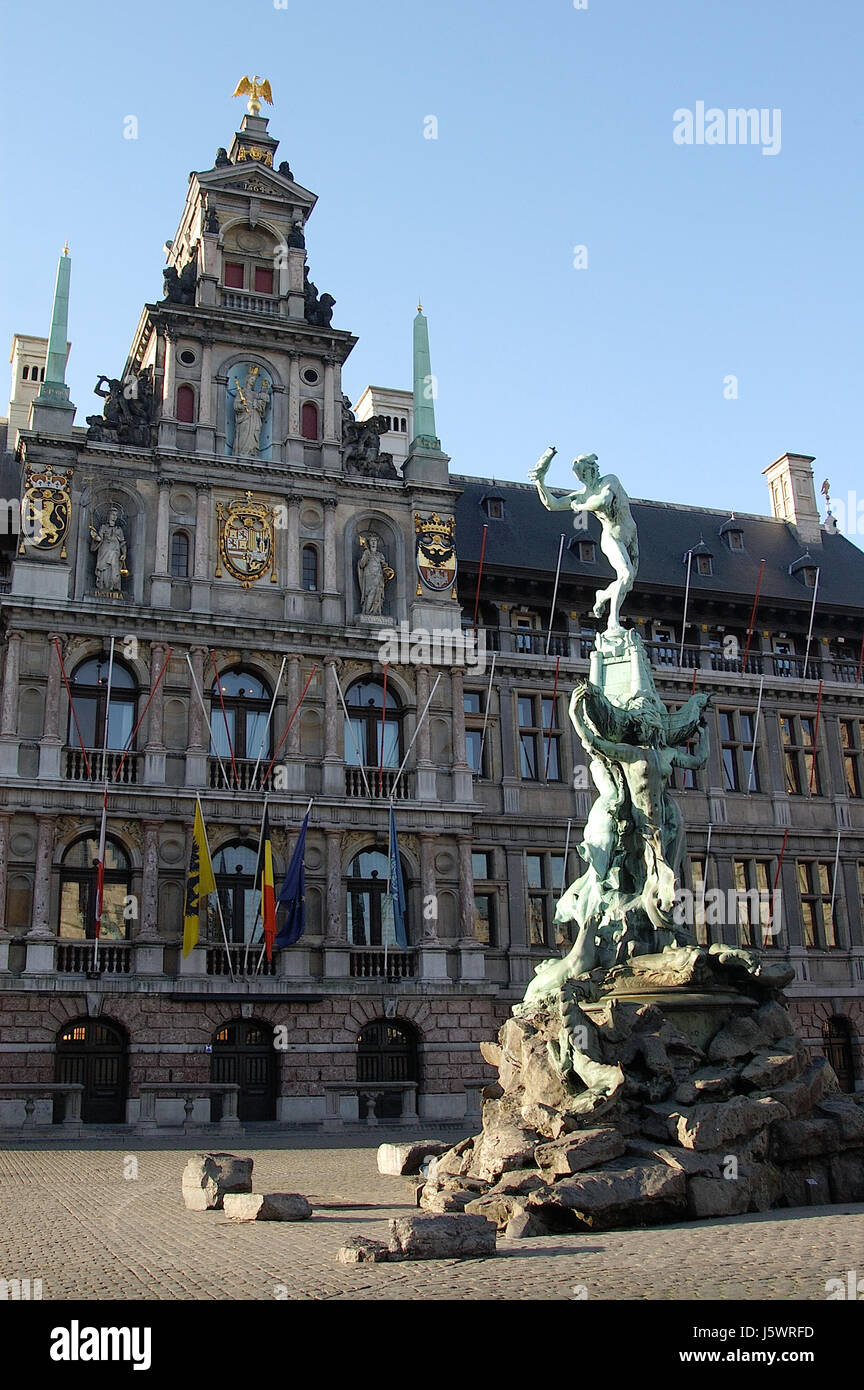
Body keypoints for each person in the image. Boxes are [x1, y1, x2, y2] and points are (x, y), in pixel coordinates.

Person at [530, 446, 639, 631]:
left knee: (627, 584)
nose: (584, 478)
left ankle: (603, 595)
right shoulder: (581, 495)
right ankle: (613, 622)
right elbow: (552, 504)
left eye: (585, 473)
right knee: (625, 574)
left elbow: (603, 501)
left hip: (631, 535)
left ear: (593, 470)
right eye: (580, 476)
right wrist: (540, 481)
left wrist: (580, 507)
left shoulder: (609, 480)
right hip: (612, 536)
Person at [233, 367, 270, 457]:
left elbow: (265, 399)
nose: (253, 381)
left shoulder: (255, 394)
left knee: (254, 433)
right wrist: (242, 406)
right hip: (245, 416)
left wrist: (264, 389)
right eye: (252, 379)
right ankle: (243, 452)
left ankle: (252, 452)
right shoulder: (242, 392)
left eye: (254, 380)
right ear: (247, 380)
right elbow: (236, 405)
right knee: (244, 432)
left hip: (254, 416)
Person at [90, 505, 127, 592]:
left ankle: (113, 586)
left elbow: (122, 543)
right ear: (109, 515)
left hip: (115, 550)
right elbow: (99, 539)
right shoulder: (103, 527)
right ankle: (103, 585)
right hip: (104, 549)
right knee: (104, 568)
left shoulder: (119, 529)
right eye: (112, 514)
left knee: (114, 566)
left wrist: (124, 554)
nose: (114, 516)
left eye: (116, 515)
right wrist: (95, 537)